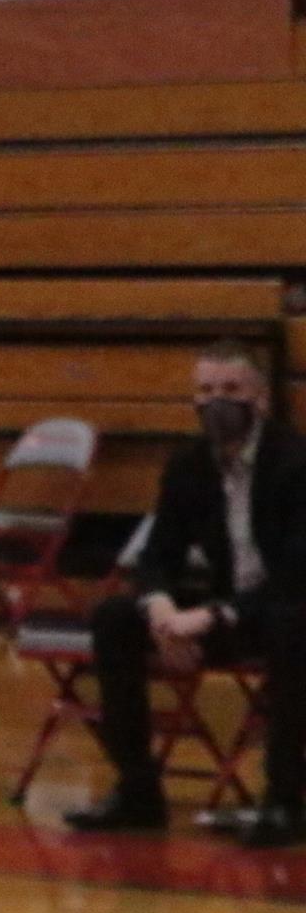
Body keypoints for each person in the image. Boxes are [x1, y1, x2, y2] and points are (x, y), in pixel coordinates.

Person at [64, 340, 306, 848]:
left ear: (260, 399)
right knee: (114, 616)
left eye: (231, 390)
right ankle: (138, 790)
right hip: (219, 612)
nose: (217, 402)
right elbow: (157, 557)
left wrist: (213, 618)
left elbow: (294, 576)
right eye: (206, 390)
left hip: (282, 611)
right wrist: (161, 610)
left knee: (293, 623)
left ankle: (284, 800)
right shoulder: (188, 465)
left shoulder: (295, 462)